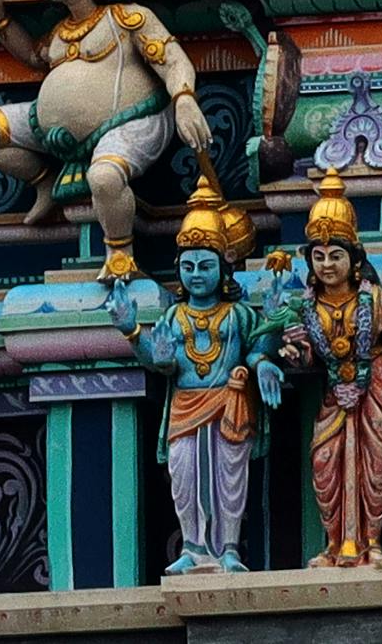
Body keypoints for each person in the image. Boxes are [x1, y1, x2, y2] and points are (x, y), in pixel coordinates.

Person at [0, 0, 213, 282]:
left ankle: (120, 253)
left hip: (132, 122)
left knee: (105, 178)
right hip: (56, 136)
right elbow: (33, 56)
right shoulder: (61, 32)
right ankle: (44, 182)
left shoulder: (128, 18)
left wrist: (185, 100)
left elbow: (172, 61)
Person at [115, 176, 285, 576]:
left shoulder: (238, 314)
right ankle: (193, 547)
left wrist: (264, 363)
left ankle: (227, 548)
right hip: (185, 406)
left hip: (228, 405)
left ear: (224, 269)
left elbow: (259, 344)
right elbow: (164, 363)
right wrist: (132, 331)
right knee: (185, 478)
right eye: (188, 266)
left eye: (206, 266)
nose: (196, 274)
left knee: (229, 481)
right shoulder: (174, 316)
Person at [278, 170, 382, 567]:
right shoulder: (307, 307)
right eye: (318, 256)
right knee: (326, 464)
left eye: (336, 255)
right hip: (335, 394)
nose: (327, 265)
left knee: (375, 468)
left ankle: (372, 544)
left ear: (355, 259)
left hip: (378, 386)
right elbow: (311, 357)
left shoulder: (374, 299)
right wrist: (296, 355)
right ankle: (335, 543)